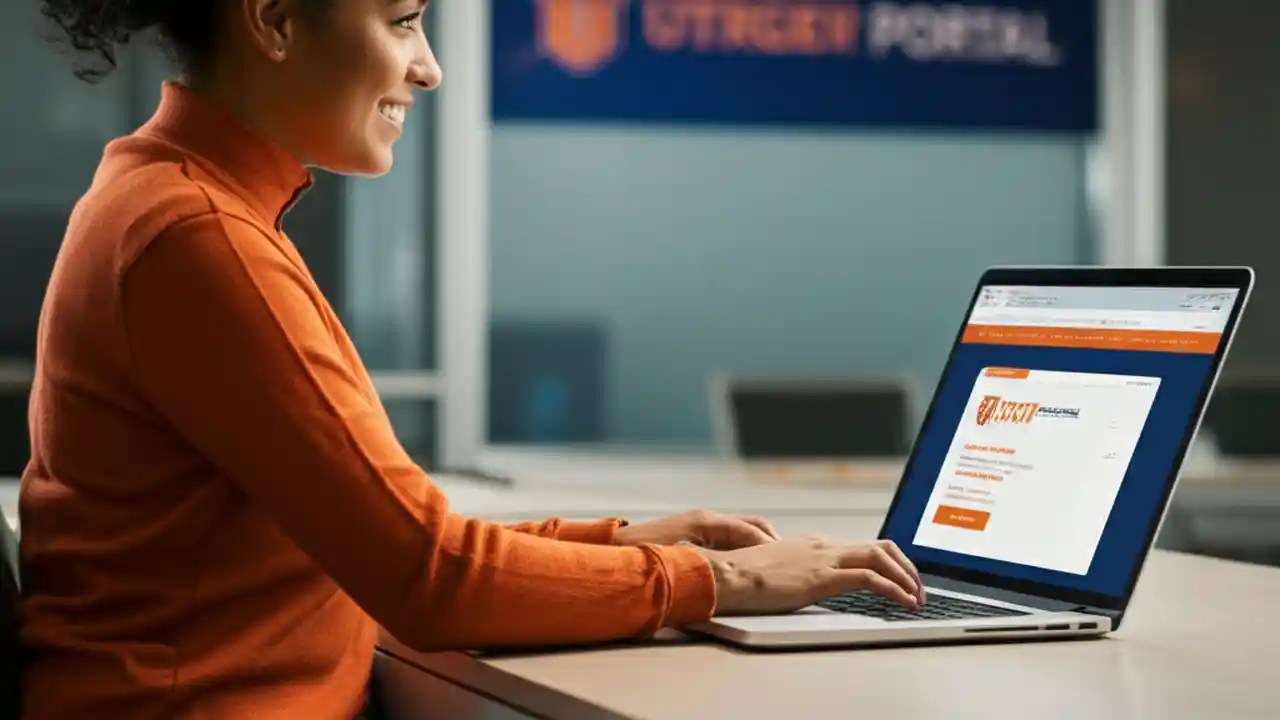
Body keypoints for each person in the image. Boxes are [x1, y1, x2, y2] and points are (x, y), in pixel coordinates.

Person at [19, 1, 926, 717]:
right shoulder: (200, 236)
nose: (430, 67)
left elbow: (396, 536)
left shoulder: (168, 201)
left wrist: (631, 542)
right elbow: (430, 578)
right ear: (276, 20)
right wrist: (721, 581)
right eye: (403, 21)